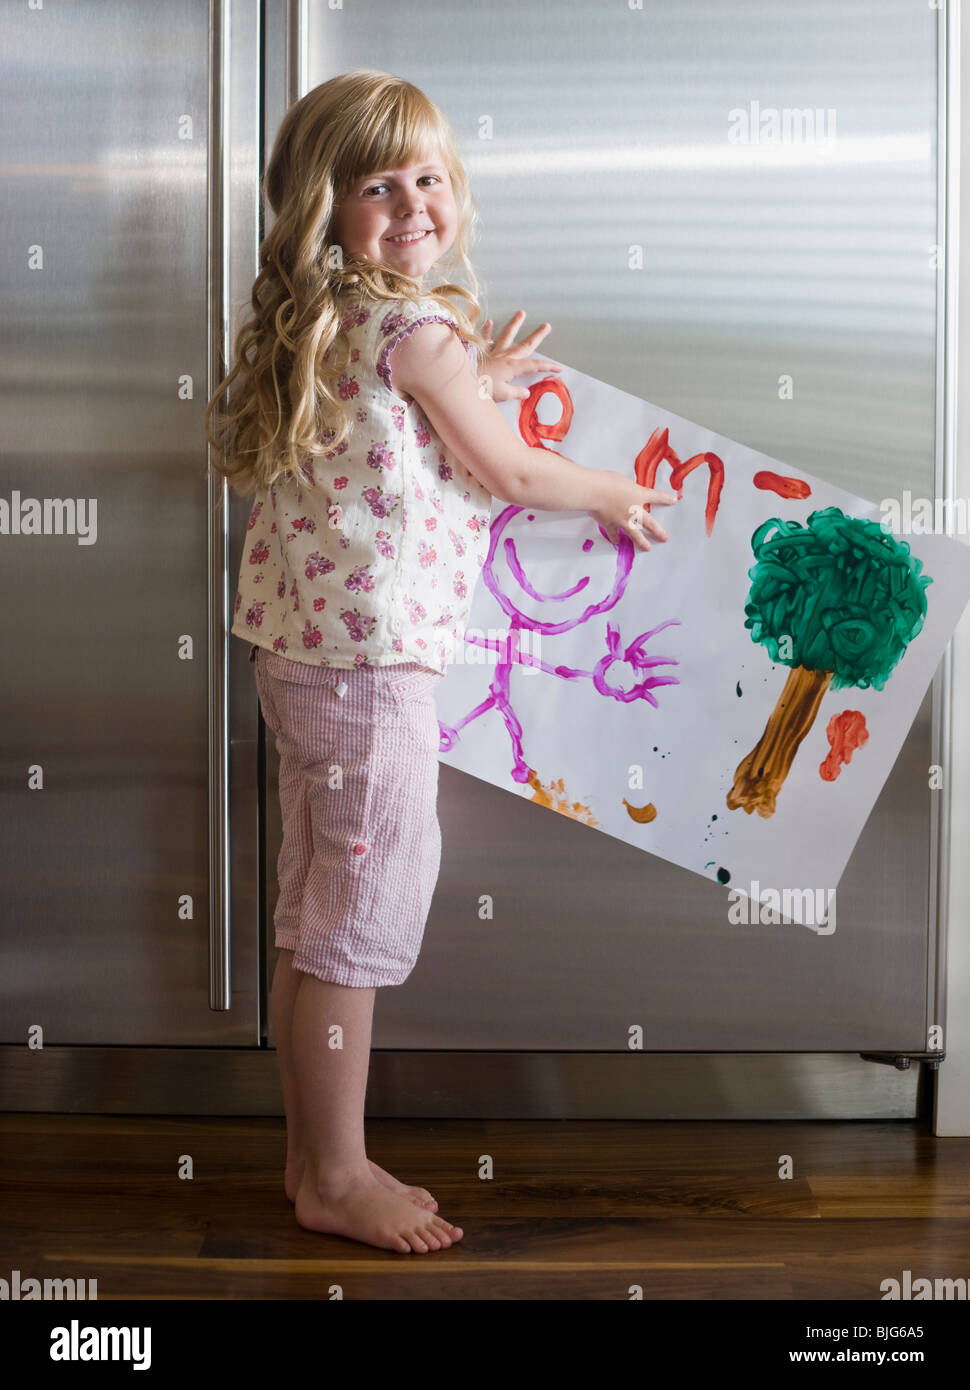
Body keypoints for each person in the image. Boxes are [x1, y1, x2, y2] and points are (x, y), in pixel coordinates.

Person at [205, 69, 677, 1255]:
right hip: (369, 679)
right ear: (325, 204)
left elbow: (403, 426)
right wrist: (611, 492)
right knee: (355, 926)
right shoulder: (414, 331)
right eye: (378, 184)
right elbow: (510, 473)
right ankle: (338, 1172)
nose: (412, 203)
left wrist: (475, 385)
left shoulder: (329, 316)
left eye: (427, 176)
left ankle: (313, 1157)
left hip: (305, 663)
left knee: (312, 917)